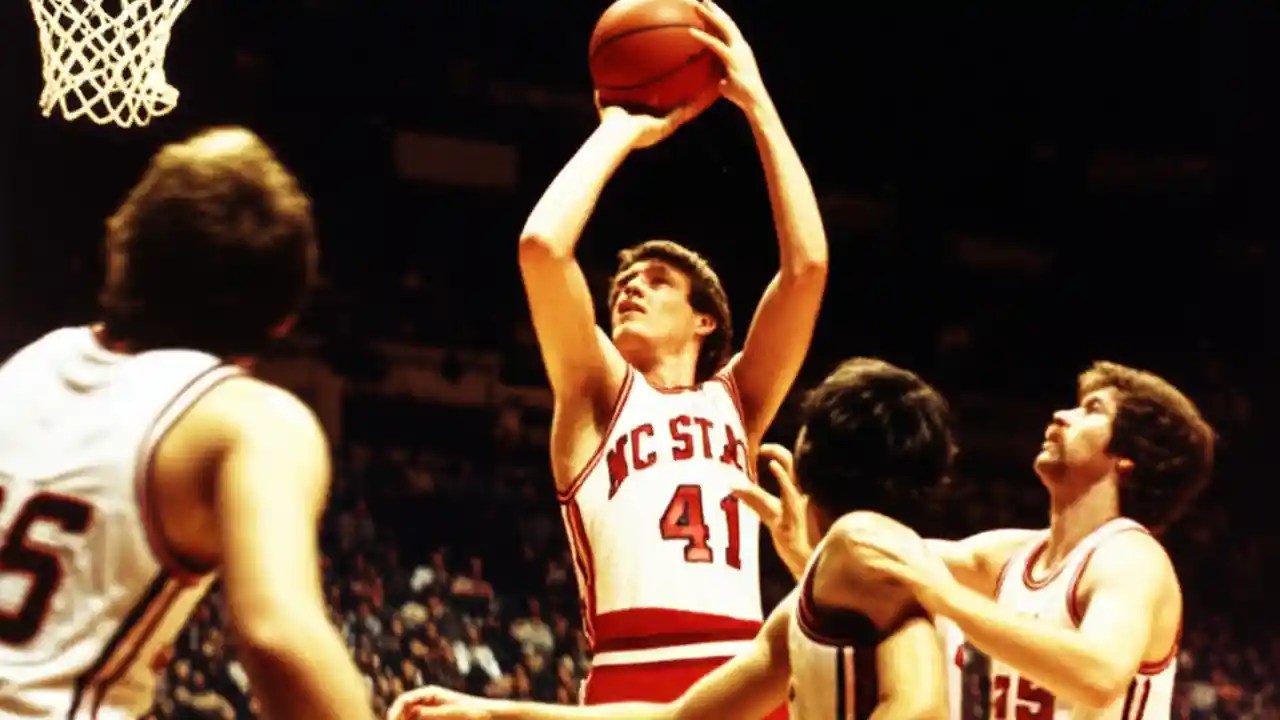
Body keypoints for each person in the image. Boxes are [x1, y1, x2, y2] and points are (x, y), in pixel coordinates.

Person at [0, 127, 372, 720]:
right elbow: (279, 637)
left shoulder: (28, 368)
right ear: (283, 316)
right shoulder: (247, 420)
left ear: (121, 252)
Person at [517, 0, 826, 711]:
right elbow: (542, 247)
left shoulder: (737, 402)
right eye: (623, 280)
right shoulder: (595, 392)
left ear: (705, 320)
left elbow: (807, 269)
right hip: (630, 668)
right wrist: (620, 132)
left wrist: (756, 102)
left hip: (742, 672)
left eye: (657, 282)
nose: (629, 287)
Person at [389, 358, 959, 720]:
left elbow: (920, 705)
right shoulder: (821, 592)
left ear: (808, 461)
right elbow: (677, 718)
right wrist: (494, 714)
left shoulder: (866, 547)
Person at [743, 360, 1214, 719]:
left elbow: (1100, 675)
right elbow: (878, 571)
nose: (1060, 414)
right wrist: (809, 551)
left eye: (1091, 410)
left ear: (1127, 459)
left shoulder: (1131, 556)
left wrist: (945, 596)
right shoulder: (1012, 555)